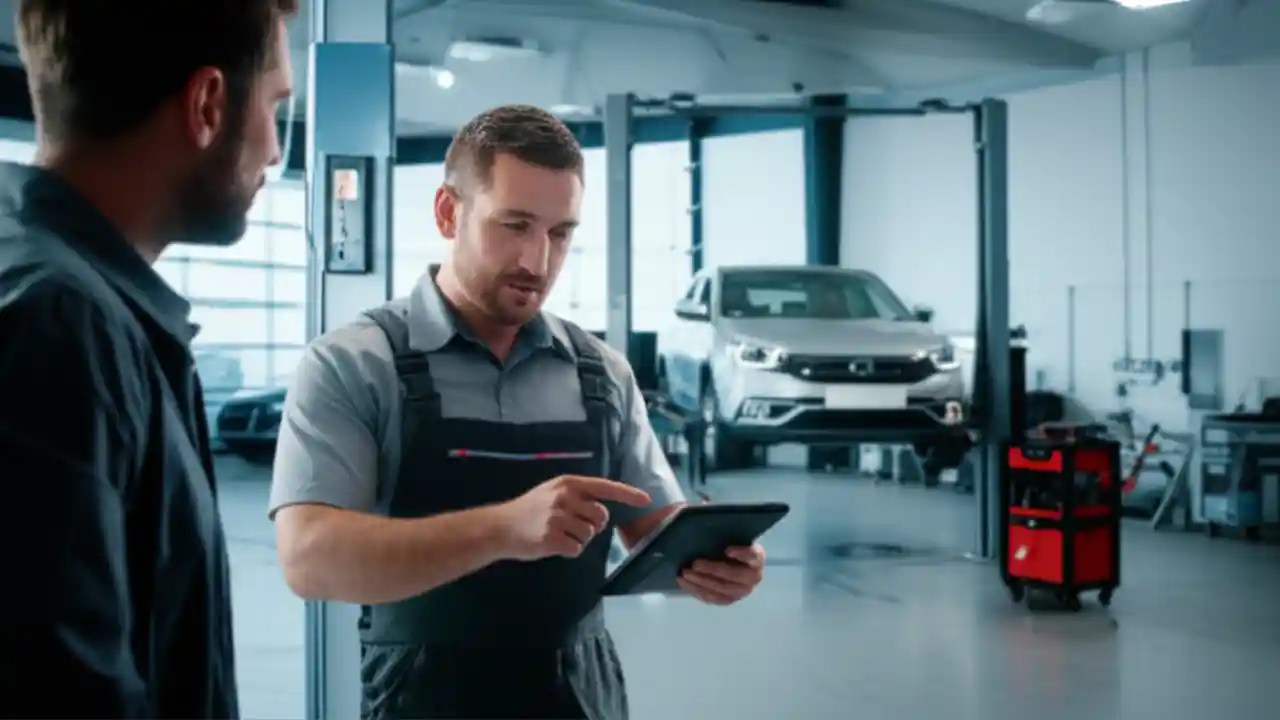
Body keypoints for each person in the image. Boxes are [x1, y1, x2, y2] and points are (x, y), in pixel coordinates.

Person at [269, 104, 768, 720]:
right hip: (425, 700)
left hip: (584, 696)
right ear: (449, 213)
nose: (538, 262)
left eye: (561, 233)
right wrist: (506, 528)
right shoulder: (354, 365)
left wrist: (714, 564)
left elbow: (654, 530)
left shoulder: (603, 373)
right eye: (515, 225)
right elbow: (309, 559)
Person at [0, 1, 296, 717]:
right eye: (275, 107)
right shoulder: (64, 328)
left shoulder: (60, 296)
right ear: (206, 104)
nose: (275, 152)